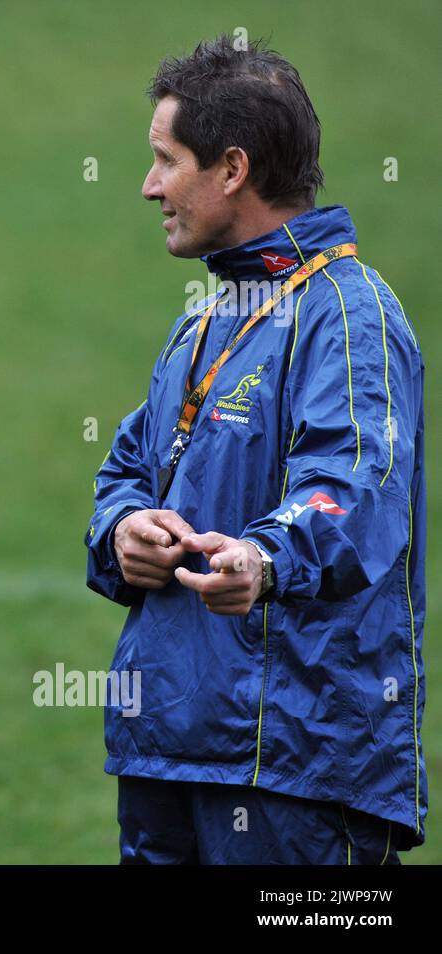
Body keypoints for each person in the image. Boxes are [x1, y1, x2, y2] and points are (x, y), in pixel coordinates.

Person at [85, 36, 426, 864]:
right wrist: (123, 530)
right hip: (169, 747)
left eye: (167, 161)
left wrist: (263, 559)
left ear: (231, 169)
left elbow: (354, 491)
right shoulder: (204, 320)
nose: (149, 186)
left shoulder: (350, 316)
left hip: (295, 765)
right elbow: (128, 469)